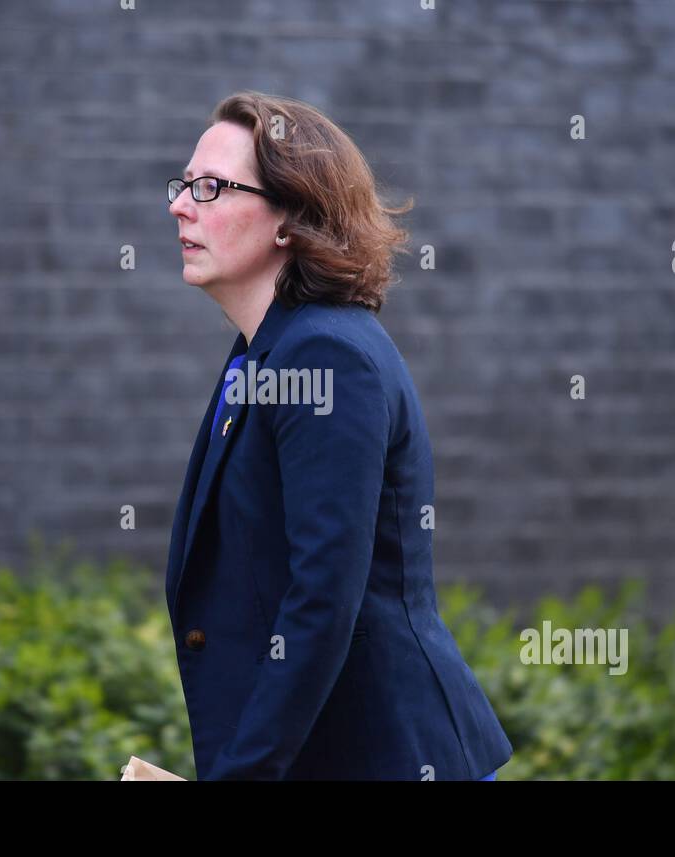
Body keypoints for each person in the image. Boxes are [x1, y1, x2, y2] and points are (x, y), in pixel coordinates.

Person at [164, 91, 513, 780]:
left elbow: (323, 600)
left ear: (291, 218)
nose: (180, 205)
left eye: (210, 188)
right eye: (182, 185)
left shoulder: (326, 355)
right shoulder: (263, 349)